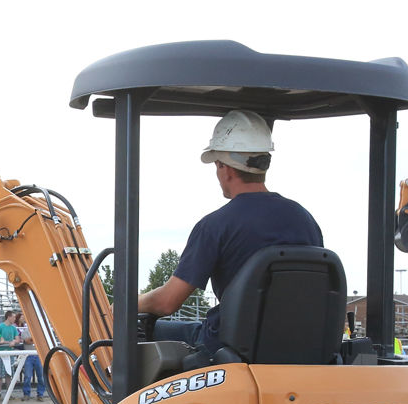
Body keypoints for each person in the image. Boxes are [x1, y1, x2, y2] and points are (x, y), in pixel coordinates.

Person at [137, 109, 322, 356]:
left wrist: (127, 305)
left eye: (217, 165)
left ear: (225, 168)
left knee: (143, 327)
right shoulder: (305, 220)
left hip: (230, 347)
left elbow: (167, 302)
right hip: (296, 347)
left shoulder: (215, 226)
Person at [17, 313, 45, 401]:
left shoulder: (27, 332)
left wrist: (34, 338)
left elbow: (29, 340)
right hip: (30, 356)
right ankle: (31, 394)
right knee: (28, 376)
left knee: (40, 377)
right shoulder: (26, 332)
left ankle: (37, 394)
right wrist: (36, 337)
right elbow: (28, 341)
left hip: (35, 355)